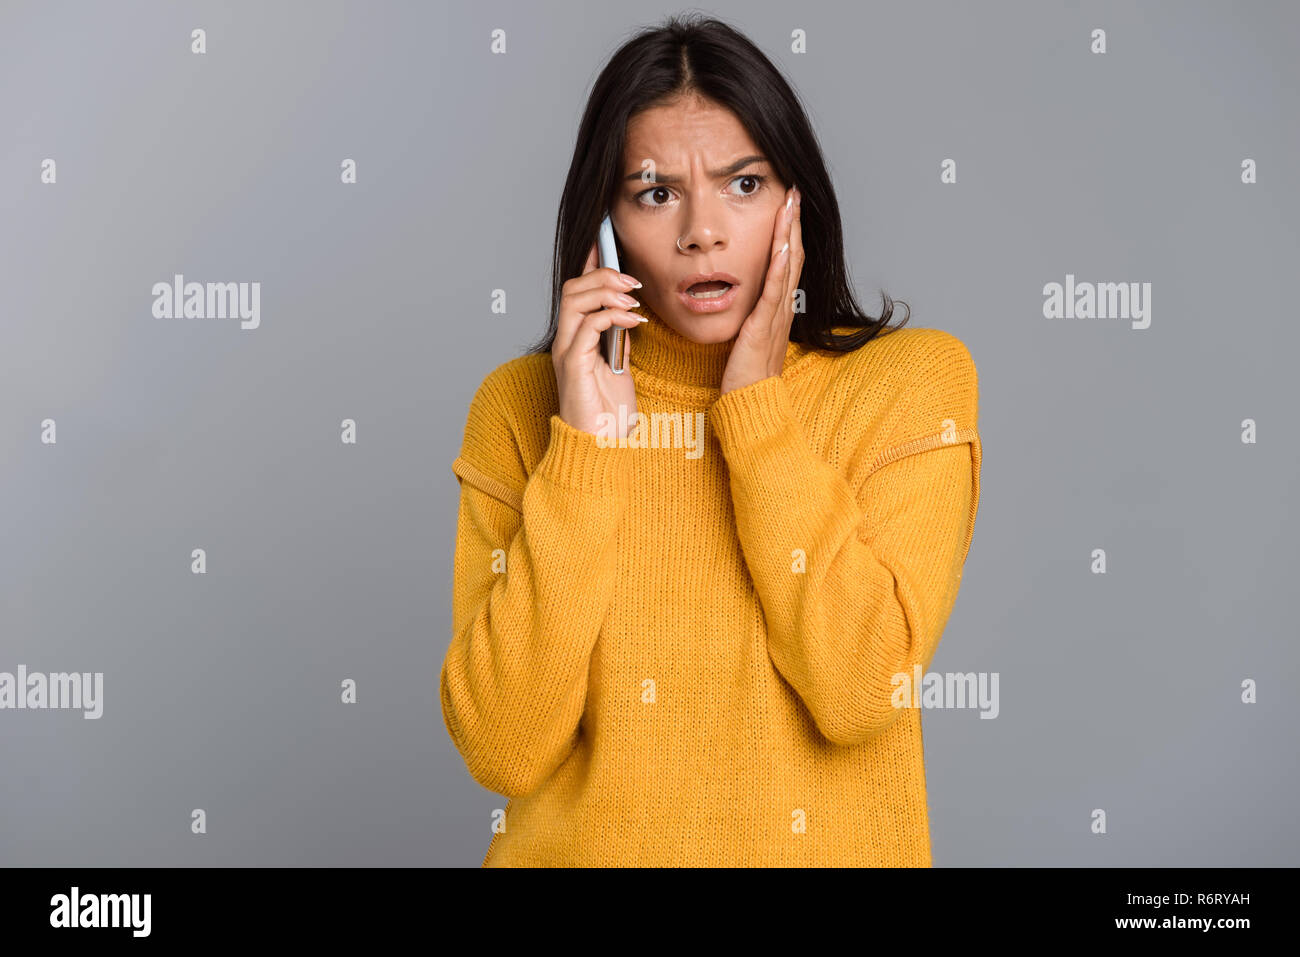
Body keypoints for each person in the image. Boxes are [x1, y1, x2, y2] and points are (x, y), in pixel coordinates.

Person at [441, 13, 982, 866]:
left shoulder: (909, 384)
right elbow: (505, 744)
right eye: (656, 193)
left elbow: (859, 693)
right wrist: (586, 450)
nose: (703, 231)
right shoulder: (519, 407)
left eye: (744, 184)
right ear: (604, 222)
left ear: (795, 199)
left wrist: (757, 414)